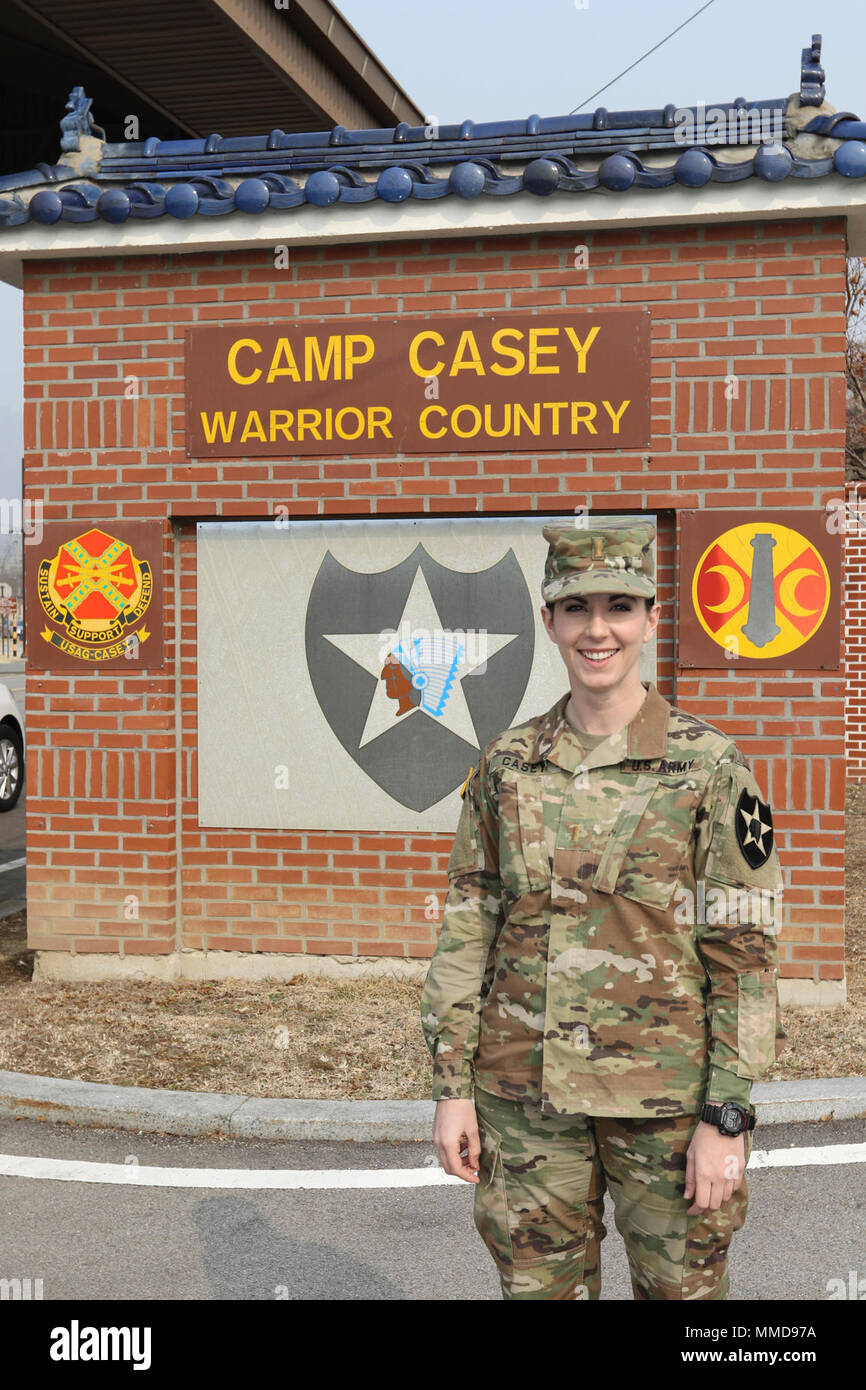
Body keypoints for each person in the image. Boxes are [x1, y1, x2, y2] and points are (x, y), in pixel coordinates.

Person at [419, 521, 786, 1300]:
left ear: (651, 619)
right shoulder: (507, 764)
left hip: (666, 1104)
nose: (598, 630)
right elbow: (468, 930)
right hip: (524, 1101)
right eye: (576, 608)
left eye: (619, 606)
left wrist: (727, 1115)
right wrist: (453, 1086)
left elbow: (745, 954)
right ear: (549, 621)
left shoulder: (709, 767)